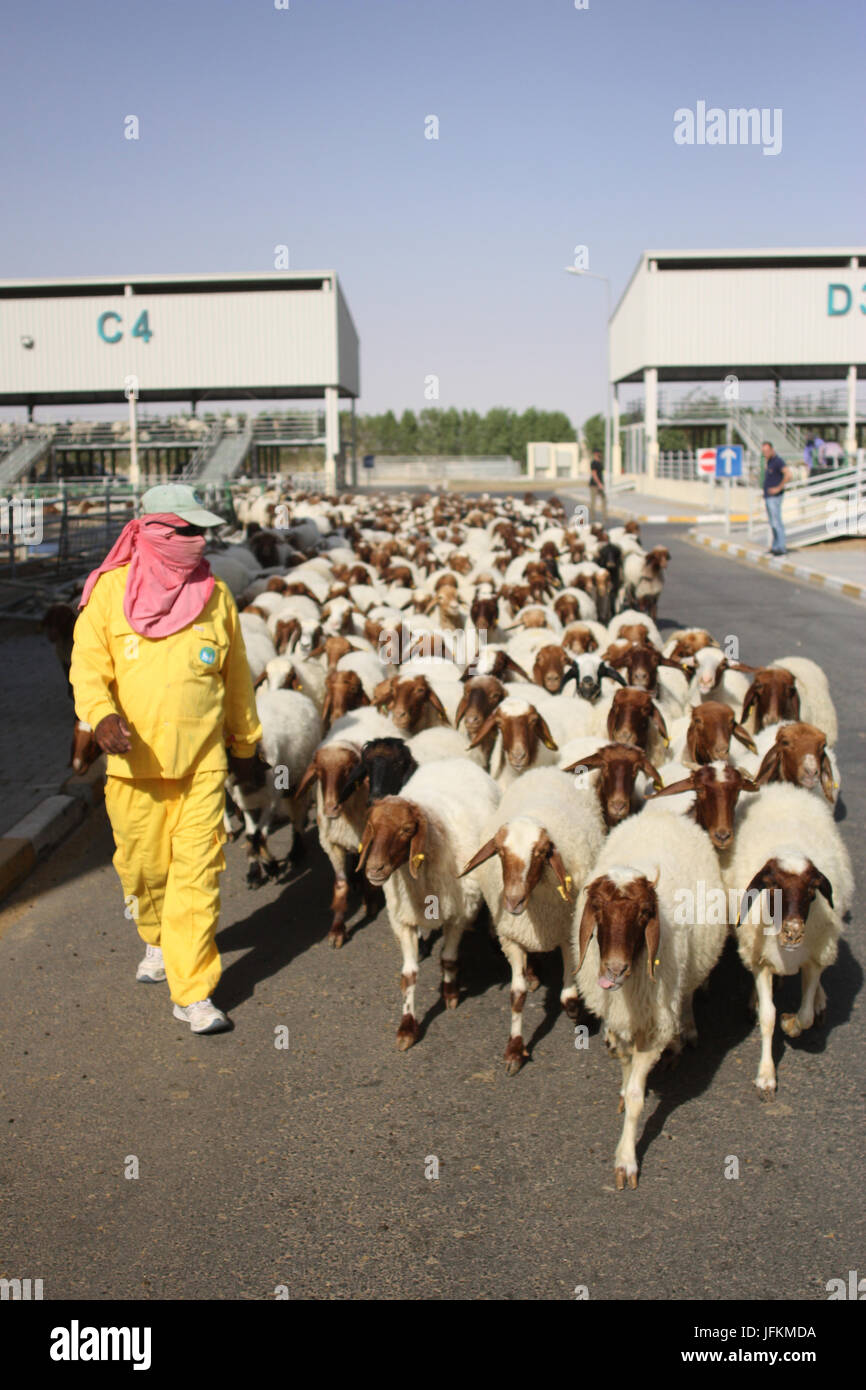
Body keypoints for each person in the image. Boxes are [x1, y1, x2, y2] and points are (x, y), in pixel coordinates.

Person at [70, 483, 263, 1035]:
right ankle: (156, 937)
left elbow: (236, 679)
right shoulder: (108, 592)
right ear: (155, 533)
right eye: (187, 531)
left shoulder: (216, 595)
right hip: (133, 767)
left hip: (201, 764)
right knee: (145, 868)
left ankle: (194, 991)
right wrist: (102, 715)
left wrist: (245, 744)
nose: (199, 542)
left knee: (197, 875)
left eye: (203, 532)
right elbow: (88, 668)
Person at [761, 441, 792, 556]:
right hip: (768, 496)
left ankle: (781, 548)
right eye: (763, 451)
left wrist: (778, 488)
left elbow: (788, 475)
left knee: (777, 522)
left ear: (772, 450)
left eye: (767, 451)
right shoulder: (769, 462)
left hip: (775, 497)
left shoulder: (778, 461)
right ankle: (775, 547)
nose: (765, 453)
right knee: (772, 523)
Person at [589, 448, 606, 522]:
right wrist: (599, 483)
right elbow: (594, 474)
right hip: (594, 485)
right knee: (593, 502)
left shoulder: (600, 462)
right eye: (599, 453)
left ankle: (604, 517)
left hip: (600, 485)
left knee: (604, 500)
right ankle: (592, 518)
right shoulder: (594, 463)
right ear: (596, 454)